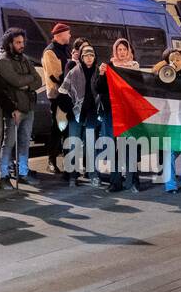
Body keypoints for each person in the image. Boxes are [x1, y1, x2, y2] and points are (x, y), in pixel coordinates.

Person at [0, 27, 40, 189]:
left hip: (28, 107)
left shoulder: (25, 59)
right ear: (10, 43)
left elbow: (38, 80)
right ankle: (4, 176)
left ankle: (23, 172)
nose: (21, 45)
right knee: (8, 143)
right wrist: (28, 81)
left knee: (24, 142)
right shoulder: (3, 61)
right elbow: (15, 81)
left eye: (22, 42)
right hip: (14, 108)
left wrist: (26, 84)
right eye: (18, 42)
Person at [97, 39, 145, 192]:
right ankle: (115, 182)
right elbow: (99, 88)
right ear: (115, 52)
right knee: (115, 149)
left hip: (130, 113)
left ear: (129, 51)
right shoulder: (110, 67)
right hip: (114, 113)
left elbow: (141, 88)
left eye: (124, 49)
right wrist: (102, 75)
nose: (122, 52)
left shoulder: (135, 67)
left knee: (130, 147)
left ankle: (133, 182)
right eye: (119, 50)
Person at [58, 41, 103, 186]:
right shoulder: (74, 72)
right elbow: (63, 93)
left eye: (91, 55)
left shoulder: (98, 72)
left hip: (92, 114)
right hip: (75, 114)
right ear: (81, 57)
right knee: (73, 144)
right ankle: (72, 176)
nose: (89, 58)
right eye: (86, 55)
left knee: (91, 144)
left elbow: (102, 90)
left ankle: (93, 174)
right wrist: (70, 108)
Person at [157, 48, 181, 192]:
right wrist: (165, 69)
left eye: (178, 60)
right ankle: (170, 184)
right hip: (170, 121)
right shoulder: (165, 76)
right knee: (169, 153)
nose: (175, 62)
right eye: (172, 60)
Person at [42, 23, 72, 174]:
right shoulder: (50, 52)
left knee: (67, 130)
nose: (70, 36)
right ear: (60, 35)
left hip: (68, 95)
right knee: (57, 129)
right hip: (58, 96)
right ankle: (51, 161)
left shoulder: (65, 50)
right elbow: (55, 75)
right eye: (68, 33)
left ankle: (68, 162)